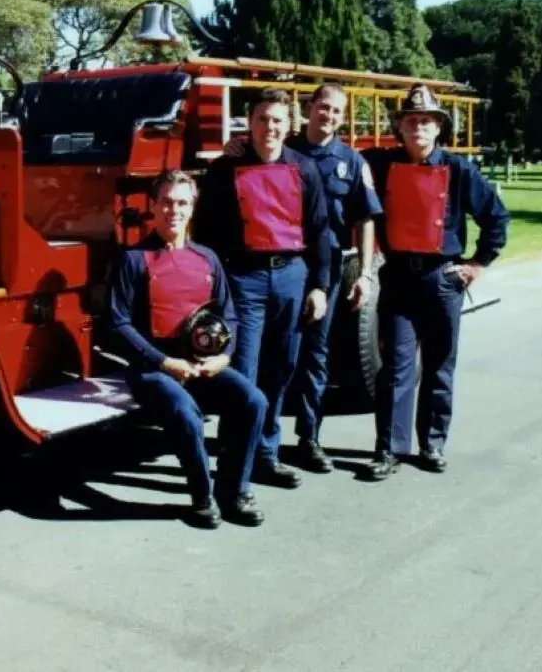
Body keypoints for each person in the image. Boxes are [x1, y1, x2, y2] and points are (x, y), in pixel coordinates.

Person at [361, 84, 510, 480]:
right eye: (411, 121)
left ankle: (432, 443)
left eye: (426, 121)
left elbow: (496, 216)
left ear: (438, 128)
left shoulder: (459, 169)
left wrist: (478, 263)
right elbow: (329, 157)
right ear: (401, 128)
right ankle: (389, 448)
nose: (419, 128)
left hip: (442, 278)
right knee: (396, 366)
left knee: (440, 365)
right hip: (398, 279)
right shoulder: (381, 163)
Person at [106, 170, 268, 528]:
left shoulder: (207, 258)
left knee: (253, 401)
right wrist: (164, 362)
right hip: (152, 367)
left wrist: (223, 358)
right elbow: (117, 324)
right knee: (184, 410)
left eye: (181, 203)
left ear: (192, 208)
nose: (173, 210)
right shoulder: (132, 259)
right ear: (153, 206)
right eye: (166, 202)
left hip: (202, 363)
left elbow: (229, 317)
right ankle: (201, 496)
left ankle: (235, 490)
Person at [193, 89, 332, 490]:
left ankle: (267, 454)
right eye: (262, 119)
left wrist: (319, 286)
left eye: (277, 120)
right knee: (244, 371)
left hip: (291, 276)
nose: (269, 127)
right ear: (248, 123)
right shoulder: (224, 170)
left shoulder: (305, 169)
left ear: (289, 125)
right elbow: (205, 233)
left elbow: (321, 233)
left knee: (281, 368)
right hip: (244, 280)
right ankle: (237, 463)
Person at [283, 84, 384, 472]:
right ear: (310, 108)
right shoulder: (283, 152)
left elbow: (365, 218)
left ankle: (309, 438)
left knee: (316, 356)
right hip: (288, 264)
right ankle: (258, 439)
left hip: (332, 267)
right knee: (276, 354)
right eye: (323, 107)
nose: (328, 116)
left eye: (337, 112)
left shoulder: (352, 162)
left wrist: (367, 273)